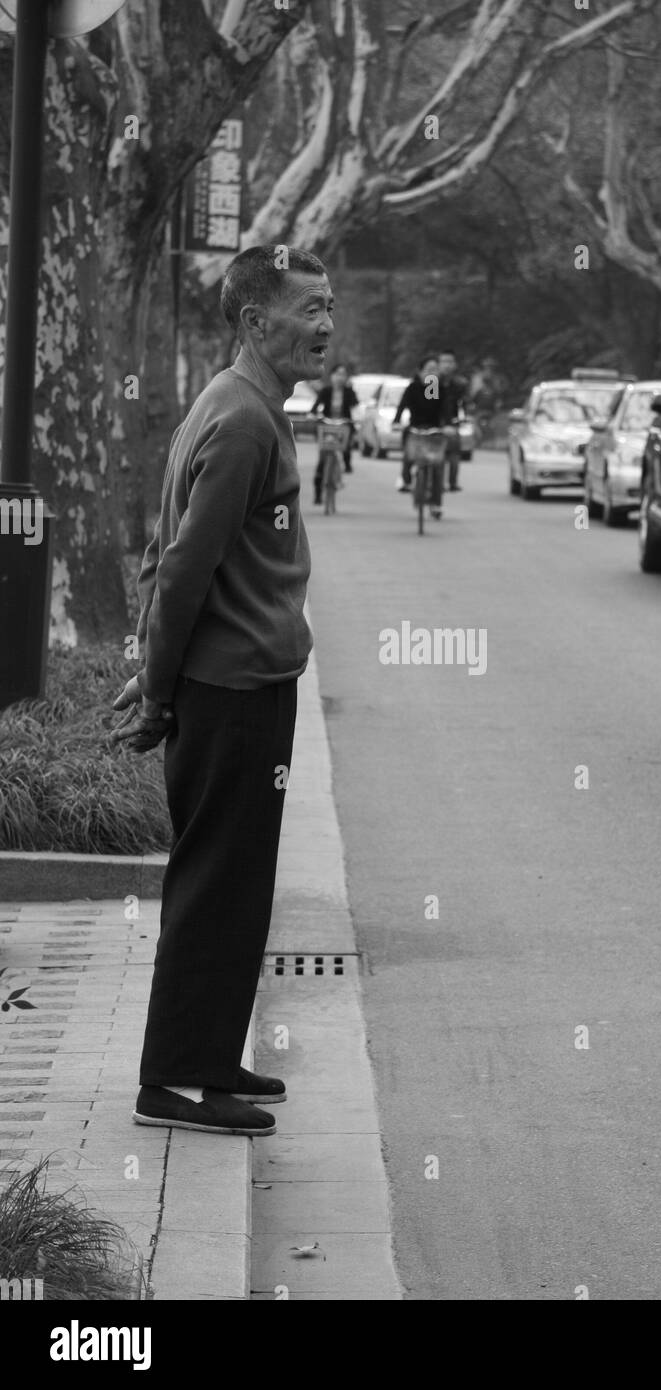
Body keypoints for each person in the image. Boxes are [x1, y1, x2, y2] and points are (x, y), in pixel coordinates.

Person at [110, 243, 333, 1138]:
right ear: (254, 321)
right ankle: (168, 1080)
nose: (326, 324)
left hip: (242, 686)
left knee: (236, 886)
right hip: (229, 692)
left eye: (330, 306)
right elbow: (183, 572)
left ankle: (206, 1058)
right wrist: (156, 693)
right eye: (309, 307)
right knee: (215, 884)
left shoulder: (241, 403)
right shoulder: (242, 421)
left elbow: (184, 565)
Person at [392, 353, 445, 518]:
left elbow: (444, 409)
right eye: (429, 369)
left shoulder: (435, 388)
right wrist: (396, 420)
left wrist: (449, 424)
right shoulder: (413, 387)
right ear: (420, 371)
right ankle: (405, 479)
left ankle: (436, 503)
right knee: (409, 452)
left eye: (435, 370)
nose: (433, 373)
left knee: (437, 466)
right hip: (415, 427)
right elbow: (402, 406)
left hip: (434, 430)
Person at [312, 362, 358, 504]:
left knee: (346, 447)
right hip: (327, 427)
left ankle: (347, 463)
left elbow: (355, 406)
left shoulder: (349, 392)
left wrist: (351, 389)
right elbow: (314, 408)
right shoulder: (326, 391)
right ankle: (318, 494)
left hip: (343, 425)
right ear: (331, 376)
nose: (340, 377)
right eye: (337, 374)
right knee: (322, 461)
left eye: (343, 374)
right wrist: (314, 415)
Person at [438, 349, 467, 491]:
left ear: (455, 364)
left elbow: (463, 404)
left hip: (452, 423)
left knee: (454, 453)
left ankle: (452, 482)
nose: (447, 365)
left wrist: (461, 419)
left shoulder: (459, 384)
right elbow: (428, 403)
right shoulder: (432, 382)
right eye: (444, 361)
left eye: (450, 362)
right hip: (434, 423)